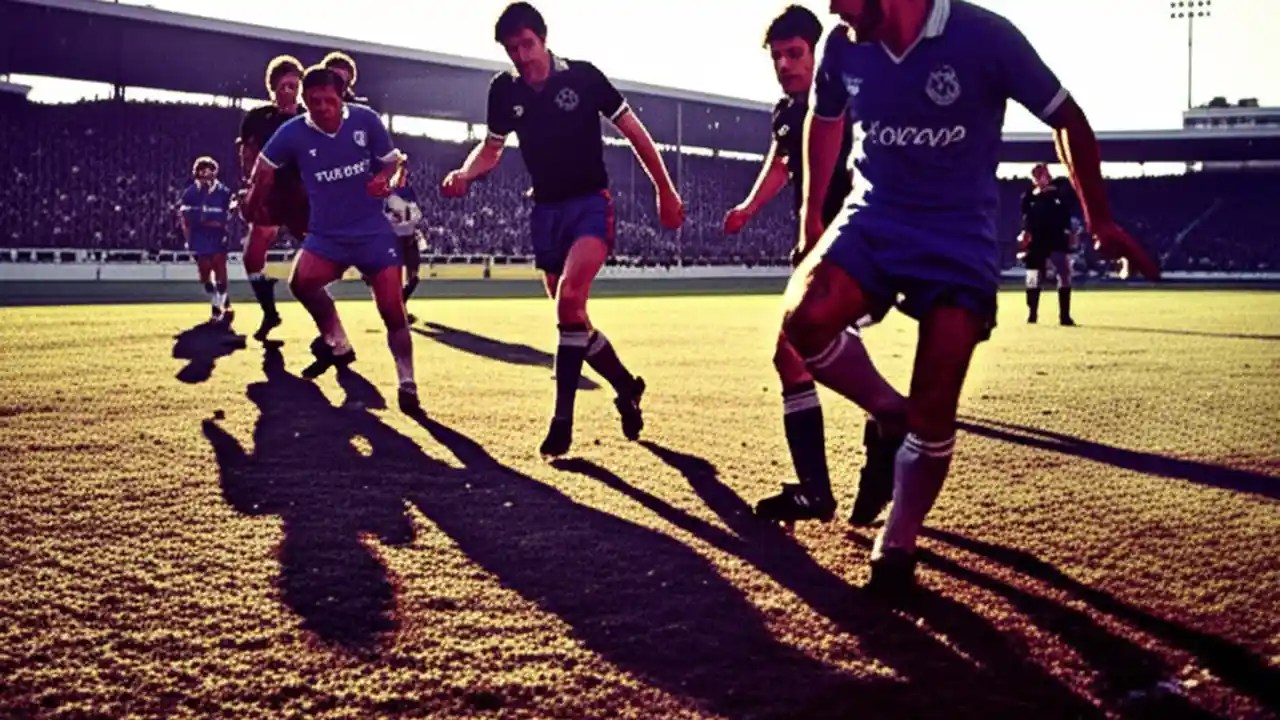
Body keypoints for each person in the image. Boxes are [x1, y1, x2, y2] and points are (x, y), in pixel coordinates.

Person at [782, 0, 1160, 595]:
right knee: (803, 320)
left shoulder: (986, 37)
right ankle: (887, 412)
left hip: (958, 235)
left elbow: (1068, 118)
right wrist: (811, 224)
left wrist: (1101, 220)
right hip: (874, 216)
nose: (832, 5)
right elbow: (824, 118)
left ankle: (897, 543)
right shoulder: (842, 43)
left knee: (936, 407)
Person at [440, 2, 684, 457]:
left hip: (591, 205)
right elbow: (491, 150)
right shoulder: (504, 90)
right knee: (575, 319)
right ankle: (627, 386)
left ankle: (561, 422)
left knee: (569, 300)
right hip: (545, 213)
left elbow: (635, 132)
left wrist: (665, 192)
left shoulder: (583, 77)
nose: (522, 56)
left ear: (544, 39)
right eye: (512, 49)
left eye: (527, 44)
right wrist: (465, 173)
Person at [727, 4, 904, 529]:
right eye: (777, 56)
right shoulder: (786, 112)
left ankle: (886, 426)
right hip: (817, 249)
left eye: (795, 53)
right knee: (804, 359)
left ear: (817, 51)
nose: (785, 64)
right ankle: (875, 448)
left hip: (856, 247)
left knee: (793, 353)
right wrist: (750, 207)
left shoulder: (851, 95)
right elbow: (783, 164)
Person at [245, 66, 421, 412]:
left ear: (342, 98)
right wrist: (254, 200)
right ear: (304, 102)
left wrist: (384, 179)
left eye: (329, 100)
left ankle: (407, 381)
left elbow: (394, 162)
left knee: (391, 310)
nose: (322, 107)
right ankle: (337, 340)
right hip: (327, 235)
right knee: (301, 283)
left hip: (372, 232)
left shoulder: (366, 121)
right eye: (313, 101)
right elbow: (262, 168)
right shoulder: (291, 132)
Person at [236, 54, 306, 341]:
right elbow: (246, 154)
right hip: (270, 195)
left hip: (304, 197)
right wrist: (250, 188)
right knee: (252, 258)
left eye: (294, 84)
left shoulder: (311, 117)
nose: (289, 90)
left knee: (319, 260)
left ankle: (328, 327)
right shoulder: (257, 118)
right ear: (272, 88)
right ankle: (269, 312)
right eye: (283, 85)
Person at [1019, 163, 1079, 325]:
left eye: (1042, 175)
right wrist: (1024, 233)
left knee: (1064, 273)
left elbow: (1066, 213)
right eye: (1036, 177)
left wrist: (1069, 232)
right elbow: (1025, 218)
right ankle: (1032, 313)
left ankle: (1064, 316)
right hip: (1036, 240)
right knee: (1033, 277)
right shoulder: (1028, 196)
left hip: (1056, 238)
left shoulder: (1059, 192)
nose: (1039, 179)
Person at [178, 156, 235, 323]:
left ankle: (216, 309)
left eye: (208, 171)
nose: (205, 175)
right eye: (201, 172)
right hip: (199, 237)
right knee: (204, 275)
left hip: (218, 235)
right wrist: (188, 238)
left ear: (214, 173)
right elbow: (185, 219)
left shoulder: (224, 193)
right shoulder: (190, 193)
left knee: (220, 271)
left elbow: (229, 215)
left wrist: (221, 223)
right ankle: (223, 299)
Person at [384, 183, 425, 312]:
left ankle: (400, 302)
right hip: (398, 242)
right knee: (397, 279)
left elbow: (416, 218)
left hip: (407, 241)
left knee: (413, 278)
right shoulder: (389, 207)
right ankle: (400, 307)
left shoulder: (408, 207)